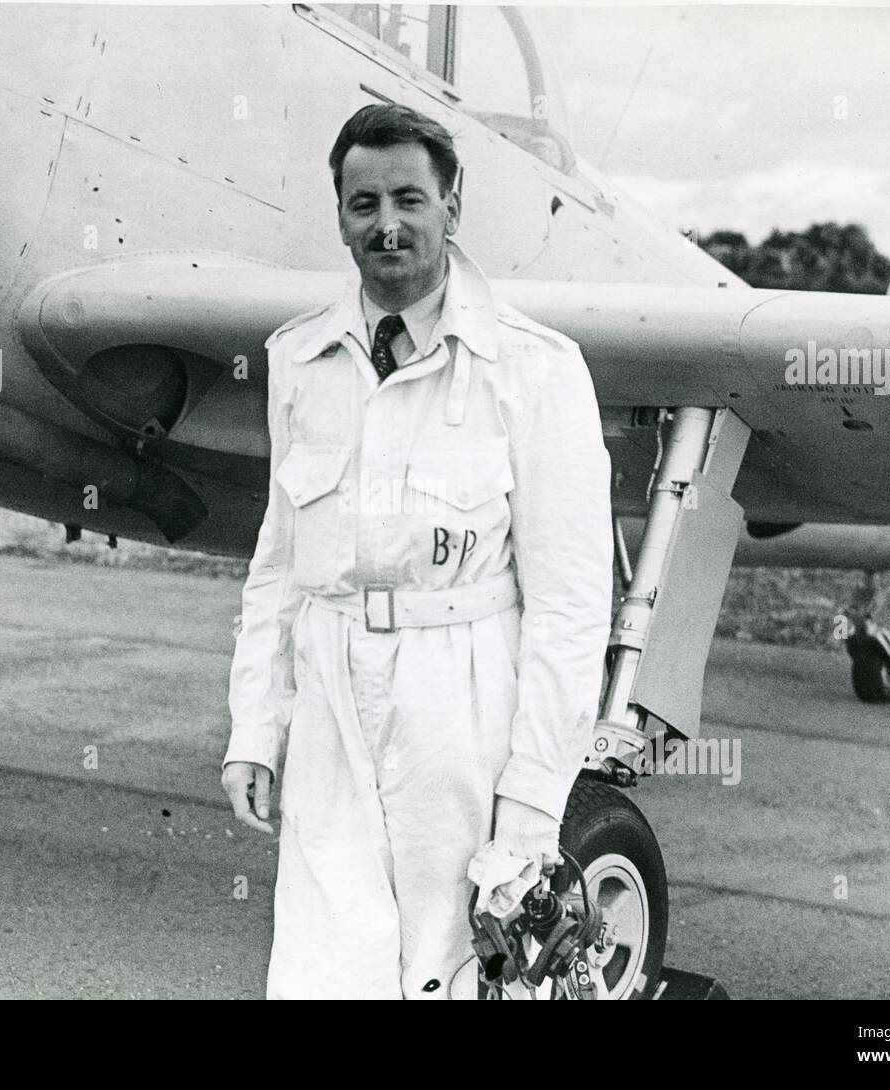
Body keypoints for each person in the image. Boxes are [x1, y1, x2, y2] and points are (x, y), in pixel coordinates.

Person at [221, 103, 614, 999]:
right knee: (325, 964)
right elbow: (279, 566)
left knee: (458, 967)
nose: (387, 224)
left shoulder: (534, 369)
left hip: (462, 700)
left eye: (409, 197)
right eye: (365, 204)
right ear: (342, 218)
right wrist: (256, 728)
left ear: (452, 205)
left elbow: (569, 606)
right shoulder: (300, 360)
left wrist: (532, 800)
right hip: (330, 697)